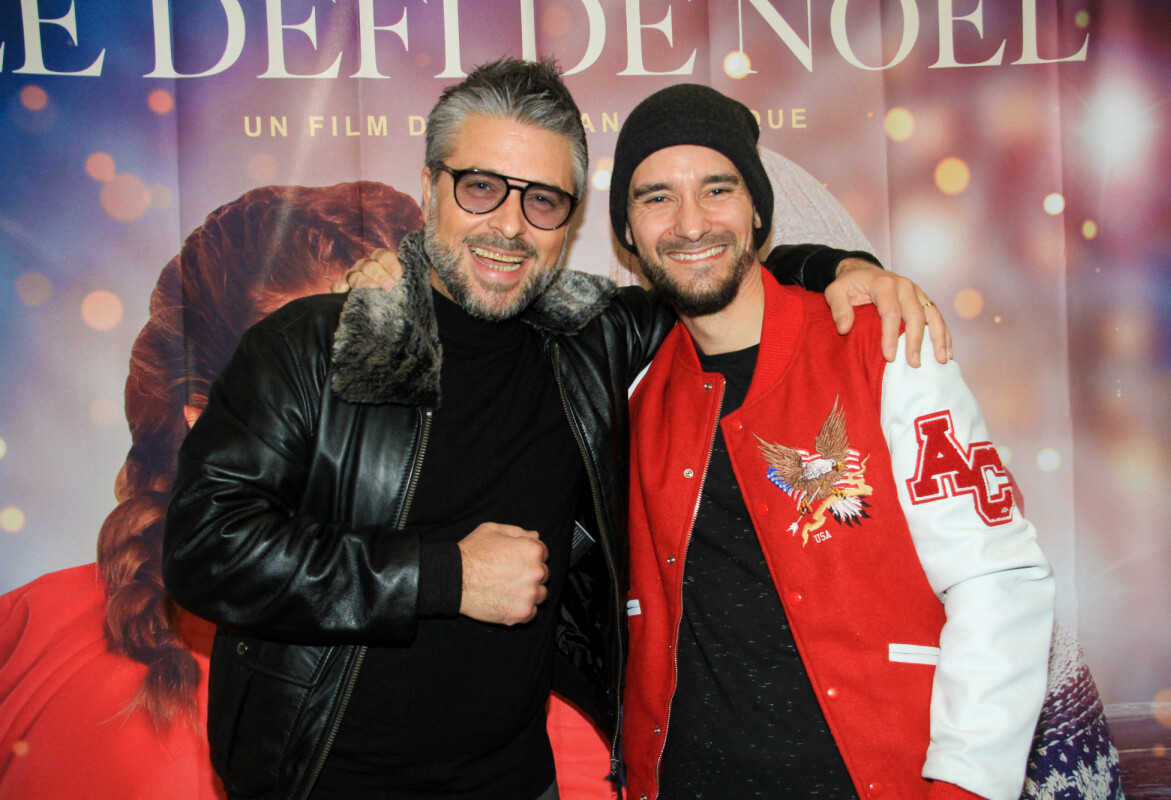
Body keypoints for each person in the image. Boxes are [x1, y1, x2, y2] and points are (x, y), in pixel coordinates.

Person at [163, 58, 945, 800]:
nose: (509, 226)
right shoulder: (311, 344)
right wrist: (445, 575)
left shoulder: (594, 341)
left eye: (543, 200)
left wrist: (842, 269)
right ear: (430, 187)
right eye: (480, 188)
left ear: (572, 222)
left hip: (516, 783)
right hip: (314, 782)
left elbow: (710, 269)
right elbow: (205, 548)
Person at [612, 83, 1056, 800]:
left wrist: (966, 784)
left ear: (758, 209)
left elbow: (999, 581)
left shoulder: (882, 346)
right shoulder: (638, 393)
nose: (690, 222)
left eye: (717, 188)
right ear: (627, 233)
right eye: (655, 197)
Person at [0, 181, 423, 799]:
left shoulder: (498, 639)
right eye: (320, 391)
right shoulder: (29, 640)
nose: (370, 431)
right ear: (205, 422)